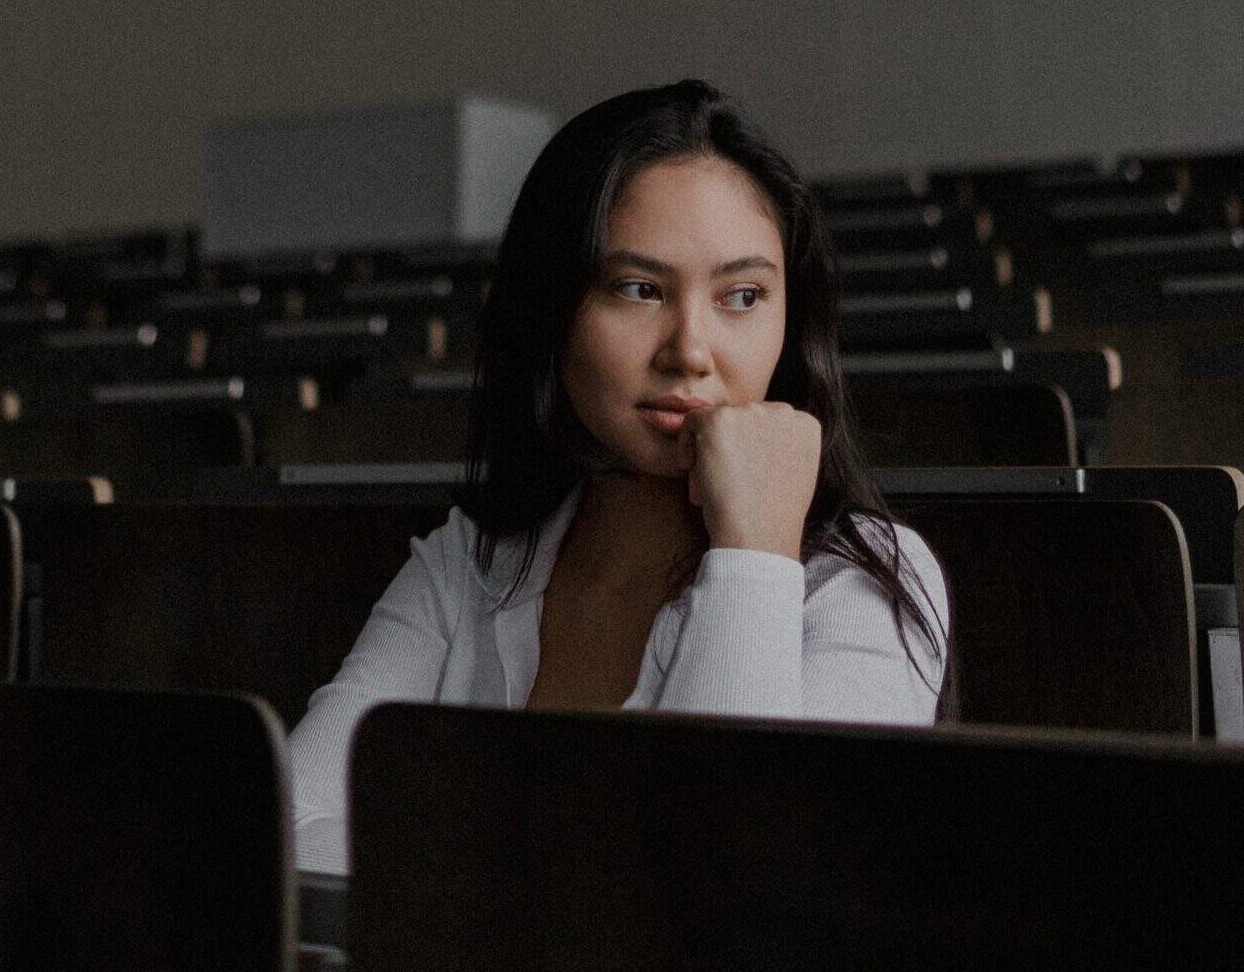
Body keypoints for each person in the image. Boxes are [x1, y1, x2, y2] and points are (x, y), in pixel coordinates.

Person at [288, 77, 952, 873]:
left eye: (743, 296)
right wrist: (584, 879)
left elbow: (733, 887)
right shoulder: (468, 566)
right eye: (639, 290)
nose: (691, 351)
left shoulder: (866, 582)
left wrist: (754, 557)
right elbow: (283, 827)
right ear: (551, 310)